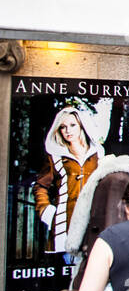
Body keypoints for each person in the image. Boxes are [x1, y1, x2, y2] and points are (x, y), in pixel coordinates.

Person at [33, 107, 104, 254]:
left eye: (72, 125)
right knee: (65, 270)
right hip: (64, 223)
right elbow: (40, 186)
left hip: (93, 221)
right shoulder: (55, 156)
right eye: (63, 127)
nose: (68, 131)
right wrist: (46, 210)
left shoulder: (97, 155)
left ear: (81, 126)